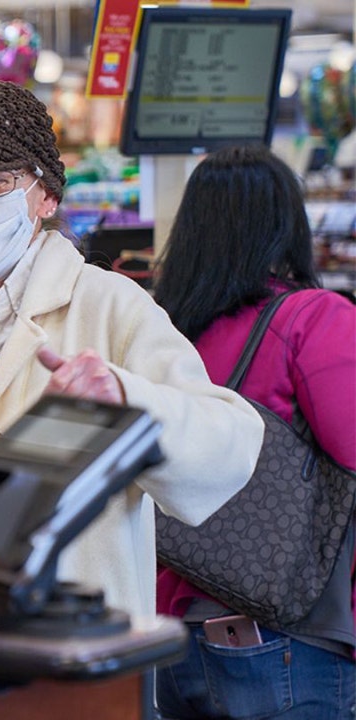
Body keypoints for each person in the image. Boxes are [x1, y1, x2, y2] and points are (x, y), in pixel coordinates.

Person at [0, 80, 263, 623]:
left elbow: (231, 445)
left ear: (45, 195)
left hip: (60, 644)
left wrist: (126, 398)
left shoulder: (108, 306)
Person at [152, 144, 356, 719]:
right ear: (287, 224)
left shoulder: (163, 330)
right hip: (289, 636)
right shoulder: (313, 318)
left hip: (173, 636)